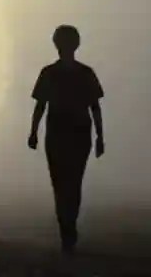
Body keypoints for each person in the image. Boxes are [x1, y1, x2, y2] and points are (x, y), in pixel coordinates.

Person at [27, 24, 104, 254]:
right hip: (74, 134)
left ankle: (67, 227)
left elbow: (41, 105)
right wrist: (100, 136)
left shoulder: (51, 73)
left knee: (62, 183)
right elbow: (95, 107)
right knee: (71, 183)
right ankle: (68, 227)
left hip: (64, 134)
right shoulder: (82, 73)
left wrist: (33, 132)